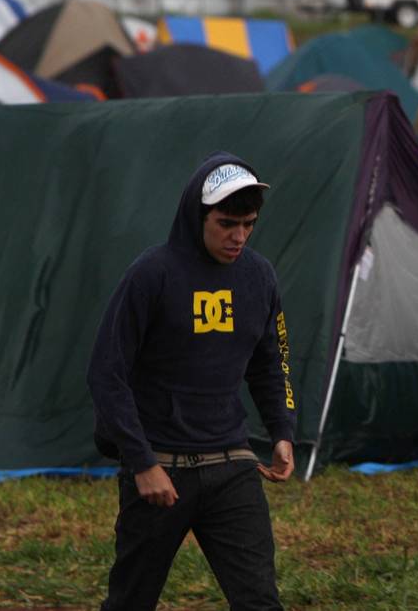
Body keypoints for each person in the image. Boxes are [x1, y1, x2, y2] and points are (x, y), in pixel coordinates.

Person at [88, 151, 297, 610]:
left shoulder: (259, 276)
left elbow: (270, 360)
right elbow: (106, 372)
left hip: (232, 466)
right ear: (196, 215)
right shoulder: (152, 273)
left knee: (260, 601)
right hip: (161, 470)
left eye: (248, 224)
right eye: (226, 223)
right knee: (130, 601)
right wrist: (142, 463)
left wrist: (281, 431)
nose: (238, 236)